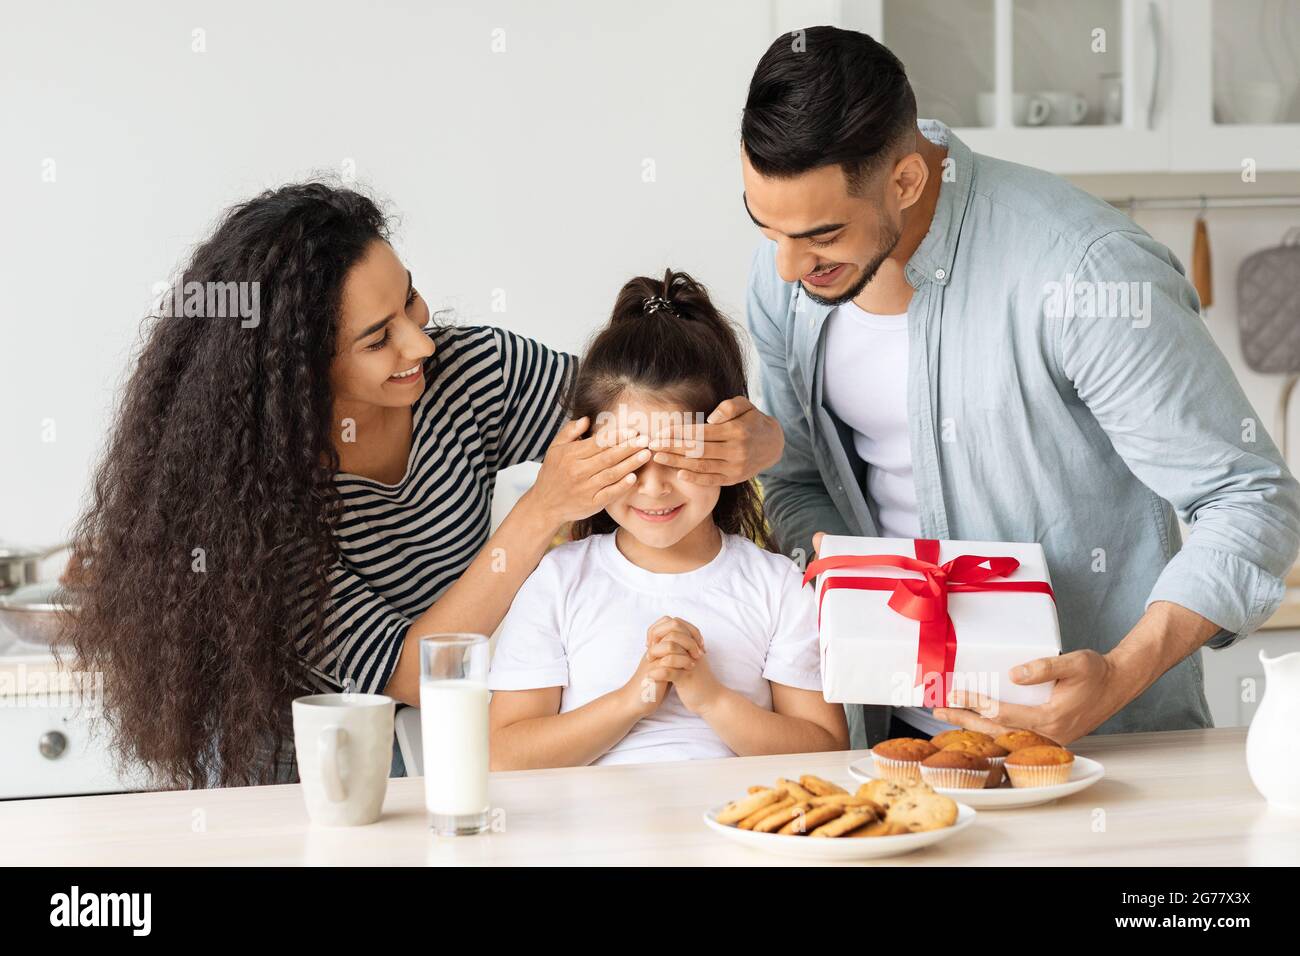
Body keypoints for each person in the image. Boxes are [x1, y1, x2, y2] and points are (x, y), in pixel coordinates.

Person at [65, 184, 784, 787]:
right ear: (296, 368)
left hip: (426, 738)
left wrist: (760, 438)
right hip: (306, 763)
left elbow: (640, 402)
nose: (421, 343)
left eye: (410, 302)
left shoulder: (471, 375)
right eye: (378, 339)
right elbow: (416, 672)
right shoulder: (259, 516)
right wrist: (542, 512)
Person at [739, 27, 1300, 747]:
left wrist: (1121, 673)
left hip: (1101, 745)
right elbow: (797, 478)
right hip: (887, 747)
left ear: (905, 181)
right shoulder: (784, 276)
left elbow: (1252, 501)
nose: (785, 269)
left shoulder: (1085, 271)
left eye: (820, 235)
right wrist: (843, 588)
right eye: (764, 228)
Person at [488, 270, 848, 767]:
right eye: (628, 460)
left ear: (728, 449)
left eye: (679, 456)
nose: (654, 486)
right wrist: (634, 697)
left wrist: (710, 699)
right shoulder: (559, 581)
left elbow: (826, 749)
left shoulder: (777, 585)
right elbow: (502, 755)